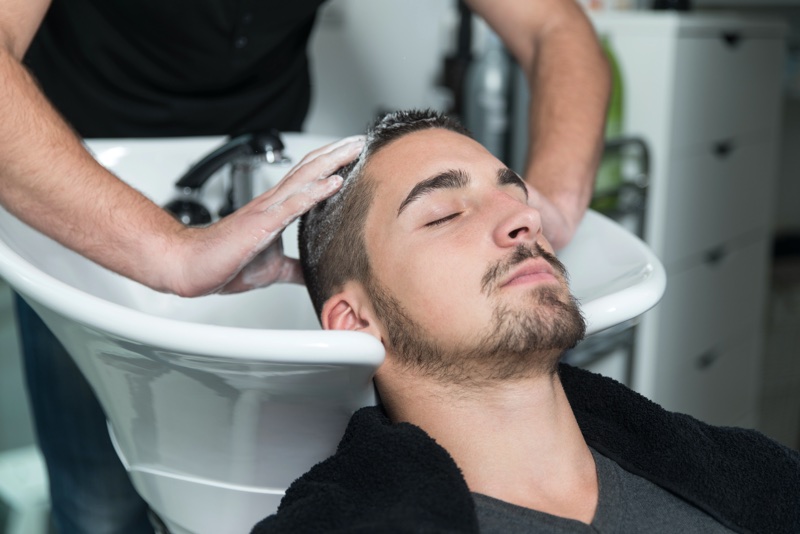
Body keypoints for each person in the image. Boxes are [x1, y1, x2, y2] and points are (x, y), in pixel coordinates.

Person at [2, 1, 609, 531]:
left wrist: (546, 201)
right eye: (441, 214)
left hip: (269, 150)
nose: (516, 220)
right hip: (74, 195)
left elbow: (551, 25)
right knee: (98, 507)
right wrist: (172, 252)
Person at [252, 109, 800, 534]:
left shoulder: (755, 480)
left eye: (514, 196)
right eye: (445, 214)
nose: (526, 219)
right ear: (355, 320)